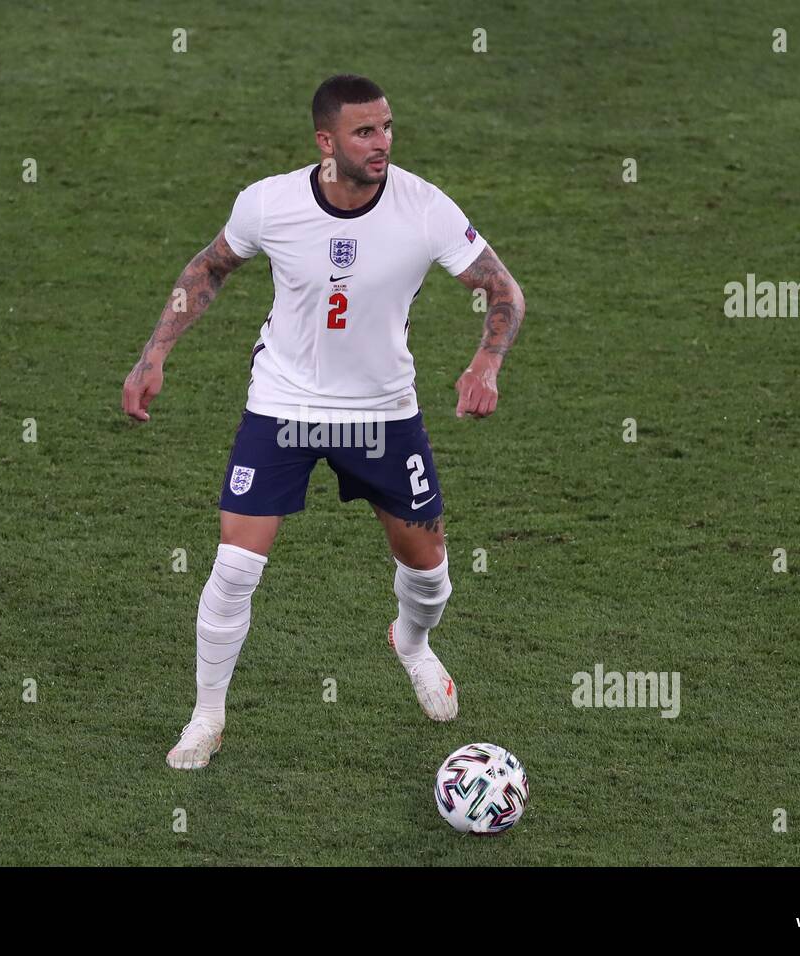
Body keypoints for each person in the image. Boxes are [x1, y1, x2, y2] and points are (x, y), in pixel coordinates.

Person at [122, 74, 525, 769]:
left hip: (382, 414)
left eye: (388, 127)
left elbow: (502, 289)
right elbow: (209, 268)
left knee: (429, 575)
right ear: (326, 140)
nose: (382, 143)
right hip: (282, 406)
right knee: (234, 567)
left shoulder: (422, 207)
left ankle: (412, 642)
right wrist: (154, 353)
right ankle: (207, 717)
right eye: (365, 132)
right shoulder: (270, 202)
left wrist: (486, 364)